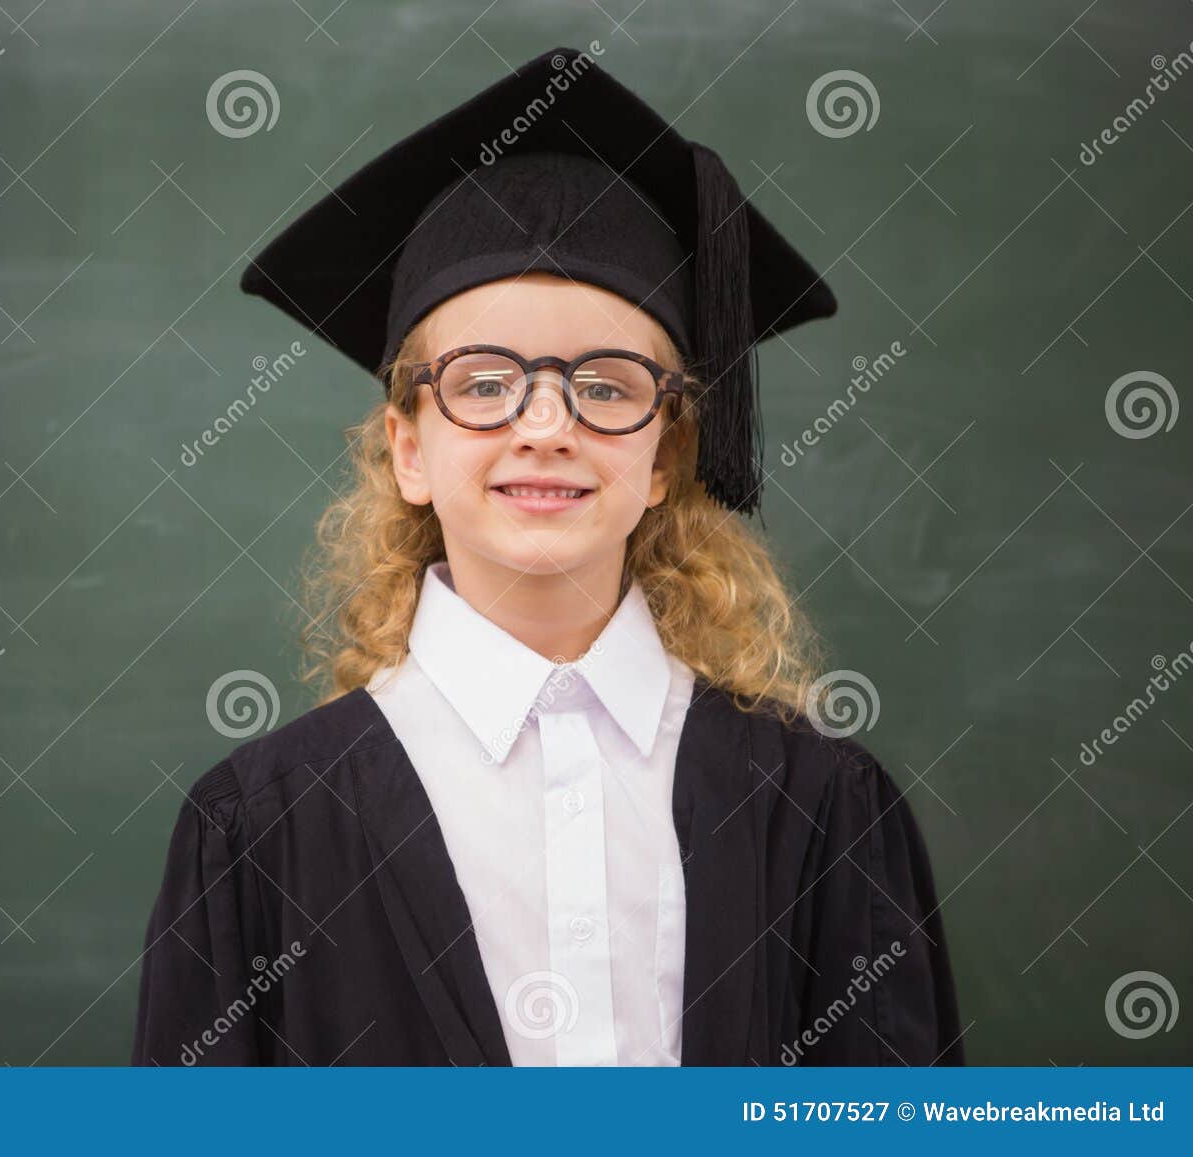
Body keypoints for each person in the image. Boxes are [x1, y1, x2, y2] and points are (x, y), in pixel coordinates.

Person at [130, 44, 964, 1067]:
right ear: (407, 446)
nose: (544, 424)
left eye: (607, 386)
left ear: (665, 456)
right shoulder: (259, 828)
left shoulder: (817, 806)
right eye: (483, 384)